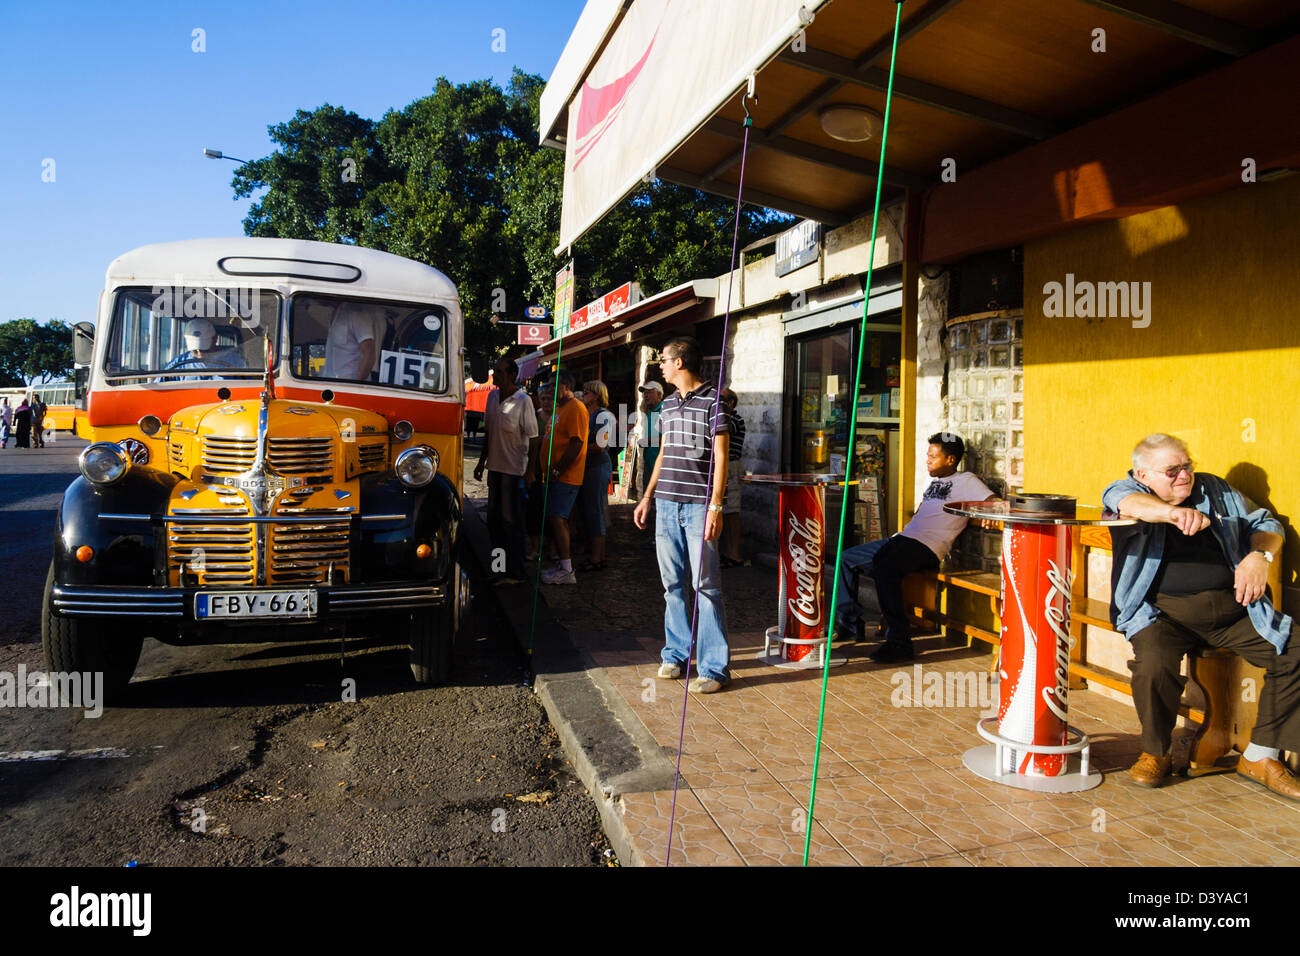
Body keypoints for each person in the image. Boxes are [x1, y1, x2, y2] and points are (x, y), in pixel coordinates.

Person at [1102, 433, 1300, 798]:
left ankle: (1260, 755)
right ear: (1143, 474)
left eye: (1187, 465)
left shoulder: (1216, 490)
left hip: (1234, 611)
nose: (1184, 475)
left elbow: (1267, 524)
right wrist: (1173, 513)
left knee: (1294, 651)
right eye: (1172, 469)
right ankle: (1155, 752)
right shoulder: (1126, 490)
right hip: (1163, 614)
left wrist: (1260, 557)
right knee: (1153, 666)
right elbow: (1125, 502)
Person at [834, 432, 995, 662]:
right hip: (902, 539)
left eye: (933, 456)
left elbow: (995, 501)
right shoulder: (936, 482)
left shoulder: (966, 480)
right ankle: (849, 624)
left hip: (926, 547)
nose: (927, 461)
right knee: (846, 558)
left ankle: (899, 641)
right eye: (927, 455)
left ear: (950, 460)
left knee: (885, 566)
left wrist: (990, 511)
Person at [633, 337, 730, 694]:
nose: (661, 365)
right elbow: (662, 454)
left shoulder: (713, 401)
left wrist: (716, 506)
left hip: (697, 506)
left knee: (705, 587)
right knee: (672, 586)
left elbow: (722, 457)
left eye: (665, 359)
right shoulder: (668, 405)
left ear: (681, 362)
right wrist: (646, 497)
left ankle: (714, 668)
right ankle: (675, 654)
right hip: (666, 506)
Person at [474, 357, 538, 586]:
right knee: (494, 522)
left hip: (514, 470)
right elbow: (489, 433)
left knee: (512, 523)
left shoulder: (523, 401)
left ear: (512, 375)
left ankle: (516, 572)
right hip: (495, 469)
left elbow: (534, 438)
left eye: (501, 372)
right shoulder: (492, 397)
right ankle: (498, 569)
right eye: (495, 371)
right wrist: (481, 463)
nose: (496, 375)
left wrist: (530, 471)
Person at [539, 370, 588, 585]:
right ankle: (563, 564)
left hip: (566, 476)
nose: (549, 390)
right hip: (554, 476)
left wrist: (558, 470)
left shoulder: (576, 408)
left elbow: (576, 443)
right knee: (556, 519)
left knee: (557, 519)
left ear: (566, 386)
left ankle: (567, 569)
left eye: (553, 386)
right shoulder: (561, 408)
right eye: (548, 386)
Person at [576, 380, 615, 571]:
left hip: (597, 468)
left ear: (597, 395)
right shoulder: (586, 413)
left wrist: (575, 448)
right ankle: (593, 552)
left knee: (595, 511)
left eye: (587, 392)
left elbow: (600, 446)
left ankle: (598, 557)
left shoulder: (604, 416)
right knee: (587, 512)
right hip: (586, 467)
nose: (583, 395)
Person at [718, 387, 746, 567]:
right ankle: (726, 551)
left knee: (732, 511)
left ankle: (734, 553)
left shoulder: (735, 419)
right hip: (723, 466)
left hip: (732, 466)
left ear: (730, 403)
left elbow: (724, 430)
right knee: (723, 511)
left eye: (721, 400)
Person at [164, 318, 245, 377]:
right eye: (194, 350)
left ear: (215, 339)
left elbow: (248, 385)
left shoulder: (235, 361)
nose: (199, 353)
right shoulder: (178, 364)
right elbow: (158, 387)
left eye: (203, 349)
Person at [322, 304, 379, 381]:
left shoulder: (357, 314)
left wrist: (356, 386)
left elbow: (369, 354)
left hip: (348, 385)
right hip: (329, 383)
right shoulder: (334, 313)